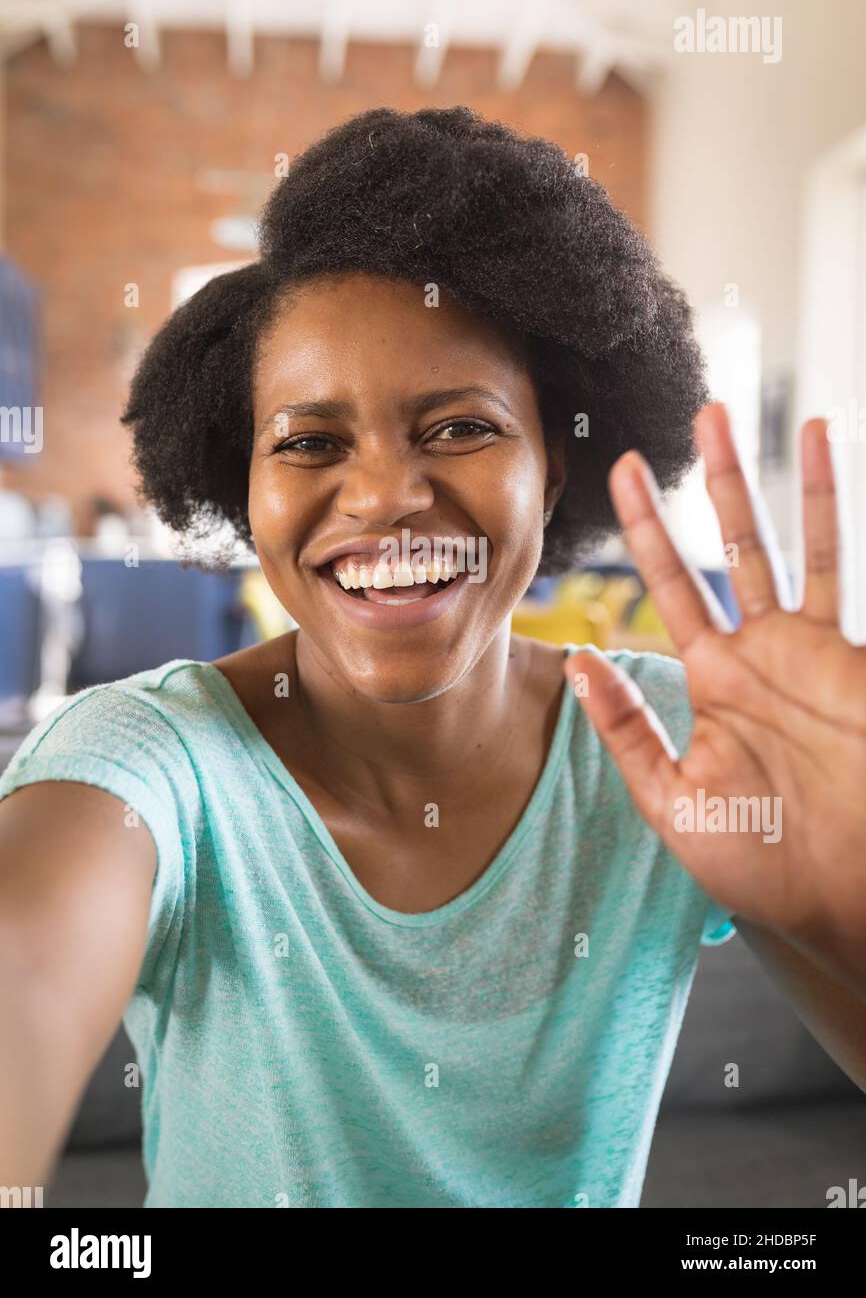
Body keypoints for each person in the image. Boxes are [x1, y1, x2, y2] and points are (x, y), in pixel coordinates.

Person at [0, 107, 863, 1210]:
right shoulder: (154, 763)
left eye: (458, 427)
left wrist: (844, 897)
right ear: (241, 487)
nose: (382, 499)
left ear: (553, 469)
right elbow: (24, 961)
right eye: (310, 442)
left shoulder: (675, 751)